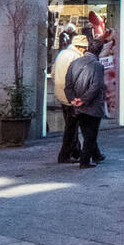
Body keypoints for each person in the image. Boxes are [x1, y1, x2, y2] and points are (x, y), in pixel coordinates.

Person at [64, 35, 107, 169]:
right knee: (91, 135)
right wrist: (83, 100)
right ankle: (85, 161)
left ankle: (95, 155)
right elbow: (96, 86)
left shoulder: (74, 63)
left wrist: (73, 99)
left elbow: (68, 84)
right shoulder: (98, 65)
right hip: (91, 106)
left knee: (86, 132)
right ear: (99, 51)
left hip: (77, 105)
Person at [53, 30, 82, 164]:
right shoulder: (76, 57)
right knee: (71, 127)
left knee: (71, 124)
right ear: (80, 47)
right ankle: (64, 154)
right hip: (72, 96)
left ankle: (76, 151)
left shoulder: (62, 53)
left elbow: (53, 73)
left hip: (61, 94)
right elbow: (77, 79)